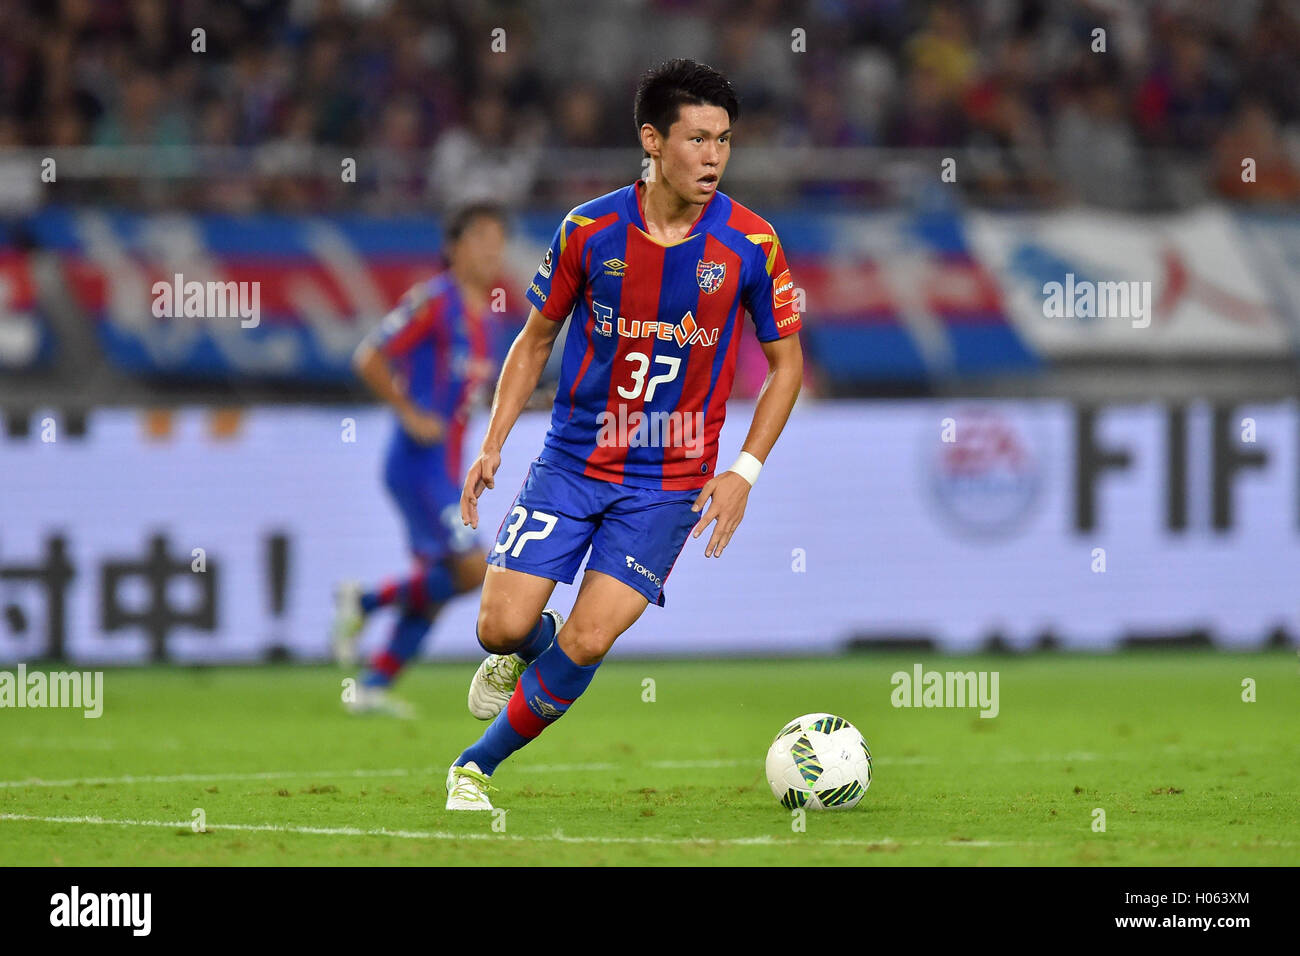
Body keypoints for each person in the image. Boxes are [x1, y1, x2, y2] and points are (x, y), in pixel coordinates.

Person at [445, 59, 804, 809]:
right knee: (499, 626)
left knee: (590, 639)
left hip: (669, 485)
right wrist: (493, 441)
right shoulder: (589, 229)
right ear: (652, 139)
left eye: (725, 141)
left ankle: (474, 768)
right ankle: (525, 648)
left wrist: (744, 471)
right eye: (698, 139)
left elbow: (785, 365)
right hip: (575, 459)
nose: (713, 157)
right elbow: (534, 339)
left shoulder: (750, 244)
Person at [331, 203, 507, 716]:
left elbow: (472, 393)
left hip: (447, 471)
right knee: (474, 568)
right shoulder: (433, 301)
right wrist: (408, 412)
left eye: (498, 238)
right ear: (453, 247)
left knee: (440, 583)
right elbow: (369, 355)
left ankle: (373, 686)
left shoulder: (486, 321)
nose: (492, 248)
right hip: (416, 465)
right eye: (480, 236)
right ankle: (361, 602)